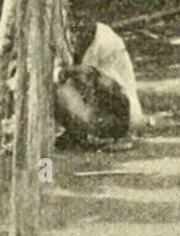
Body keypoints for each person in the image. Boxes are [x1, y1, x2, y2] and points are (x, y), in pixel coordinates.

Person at [55, 13, 149, 141]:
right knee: (58, 89)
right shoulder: (63, 32)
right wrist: (67, 71)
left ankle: (114, 134)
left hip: (115, 108)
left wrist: (82, 74)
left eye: (84, 20)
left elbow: (113, 86)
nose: (80, 25)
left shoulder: (107, 41)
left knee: (102, 82)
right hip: (87, 103)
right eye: (76, 20)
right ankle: (78, 132)